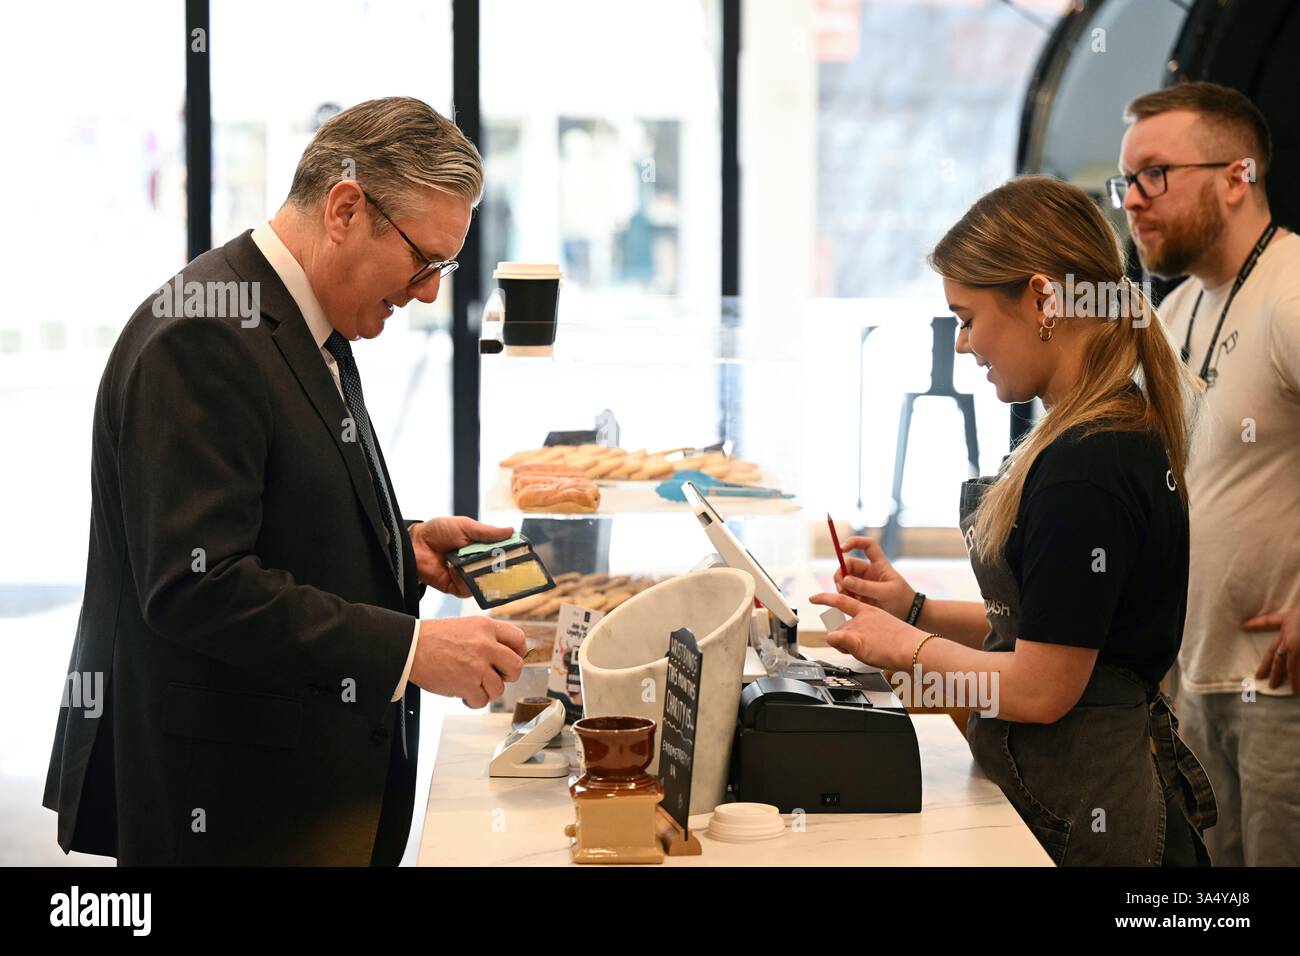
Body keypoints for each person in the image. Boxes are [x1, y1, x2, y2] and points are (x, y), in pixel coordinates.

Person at [43, 97, 526, 865]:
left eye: (446, 268)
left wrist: (399, 552)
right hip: (232, 803)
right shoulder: (200, 335)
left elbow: (269, 518)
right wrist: (410, 651)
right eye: (423, 261)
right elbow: (197, 584)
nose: (431, 291)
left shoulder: (307, 318)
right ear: (344, 209)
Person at [812, 175, 1216, 866]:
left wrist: (903, 650)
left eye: (967, 317)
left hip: (1095, 810)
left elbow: (1038, 689)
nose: (964, 345)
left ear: (1040, 299)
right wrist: (914, 609)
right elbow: (1059, 626)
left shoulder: (1088, 462)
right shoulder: (1090, 433)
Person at [1116, 81, 1300, 866]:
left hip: (1280, 689)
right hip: (1195, 677)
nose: (1132, 199)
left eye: (1154, 173)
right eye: (1124, 181)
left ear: (1237, 177)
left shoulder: (1292, 289)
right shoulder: (1177, 309)